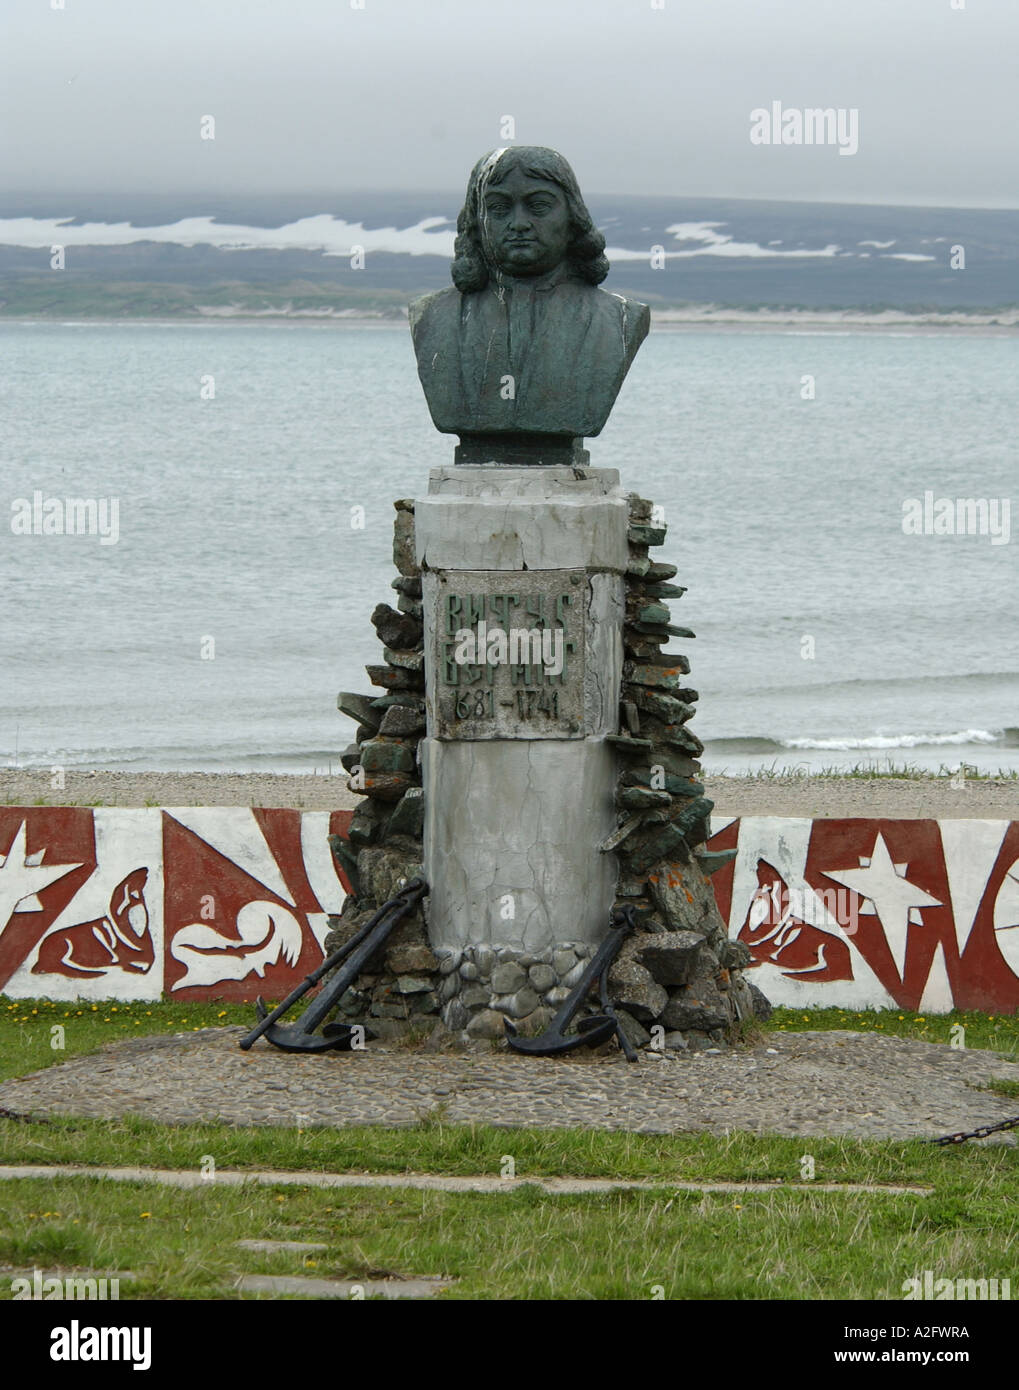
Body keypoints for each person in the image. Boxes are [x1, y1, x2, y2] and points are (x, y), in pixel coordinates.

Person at [409, 147, 649, 454]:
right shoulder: (431, 315)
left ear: (573, 218)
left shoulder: (618, 318)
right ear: (476, 223)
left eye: (538, 207)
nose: (519, 223)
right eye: (498, 209)